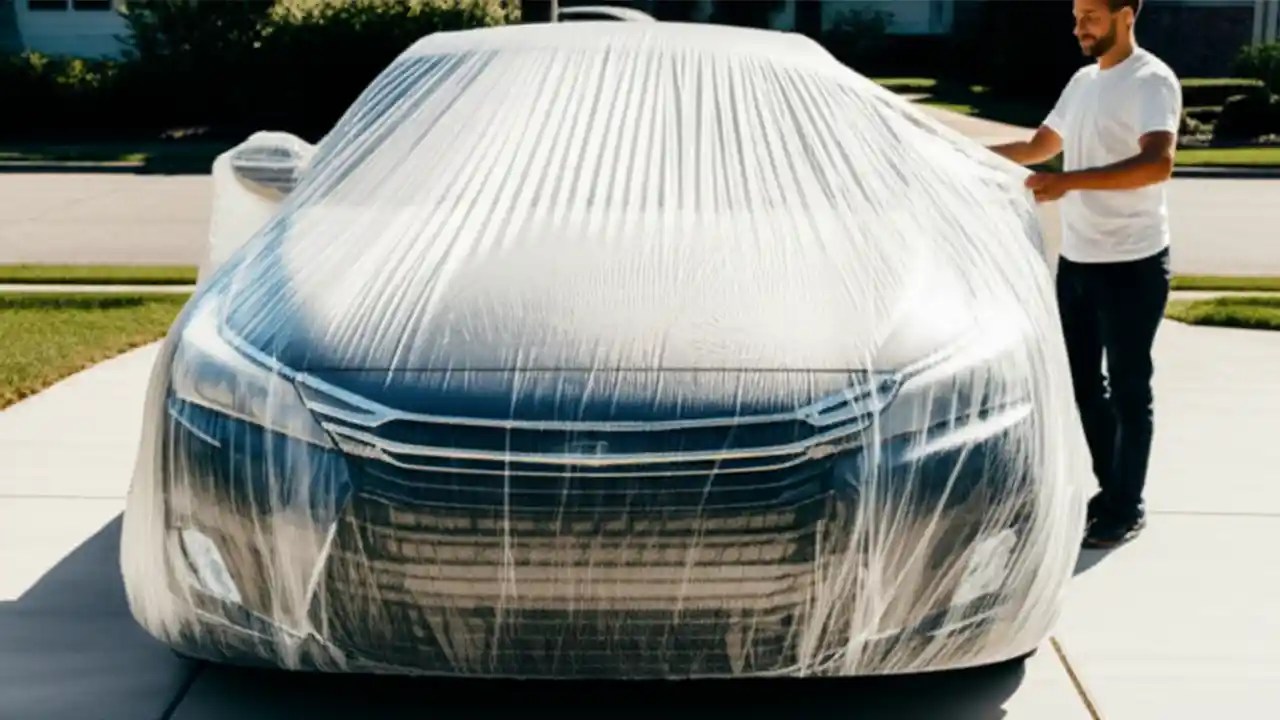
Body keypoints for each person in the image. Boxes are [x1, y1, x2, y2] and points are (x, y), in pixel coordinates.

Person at [988, 0, 1181, 548]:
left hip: (1134, 263)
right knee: (1081, 384)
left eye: (1091, 15)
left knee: (1127, 388)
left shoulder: (1151, 80)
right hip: (1078, 261)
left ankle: (1127, 505)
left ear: (1126, 13)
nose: (1078, 27)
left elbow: (1157, 164)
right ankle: (1113, 489)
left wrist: (1068, 184)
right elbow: (1036, 147)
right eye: (1075, 16)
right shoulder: (1081, 82)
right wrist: (957, 153)